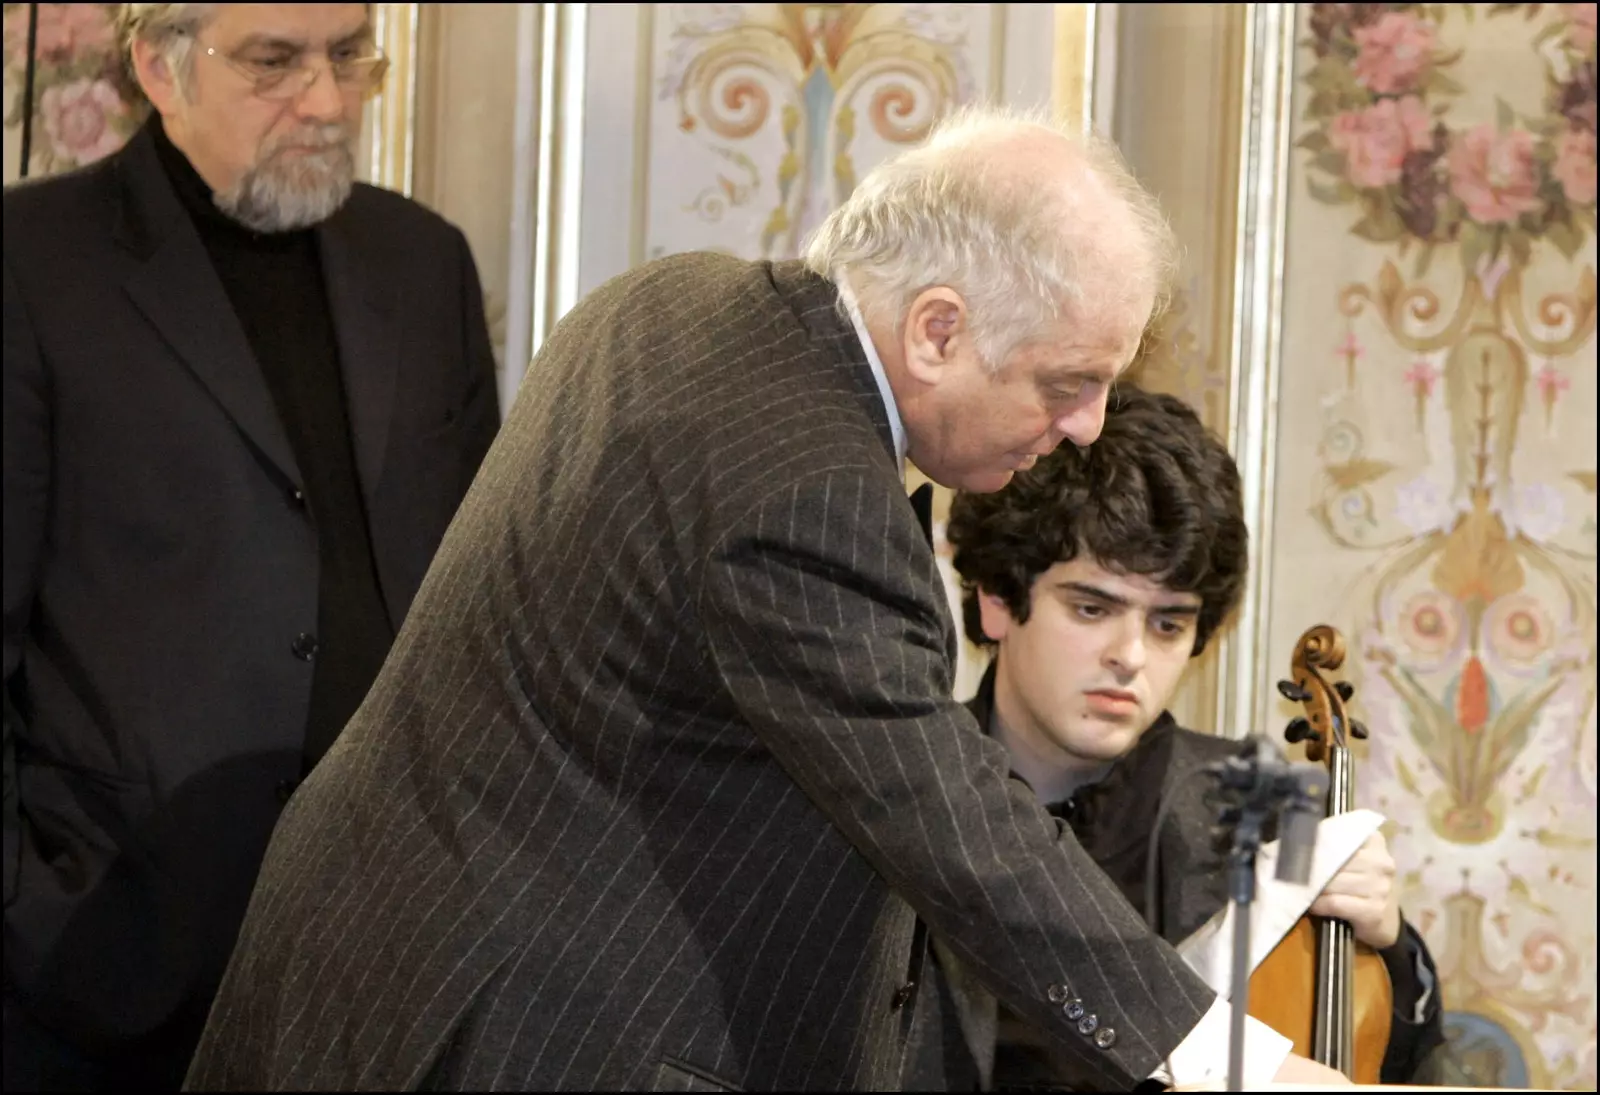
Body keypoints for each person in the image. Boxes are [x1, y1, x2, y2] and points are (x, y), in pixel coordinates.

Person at [184, 105, 1345, 1092]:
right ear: (937, 330)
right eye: (1068, 382)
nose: (1087, 423)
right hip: (522, 1035)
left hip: (380, 974)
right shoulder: (806, 493)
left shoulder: (679, 305)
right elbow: (951, 825)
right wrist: (1217, 1058)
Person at [2, 3, 500, 1089]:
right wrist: (31, 907)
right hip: (106, 961)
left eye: (347, 56)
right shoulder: (30, 264)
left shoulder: (424, 264)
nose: (325, 100)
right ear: (157, 66)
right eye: (275, 62)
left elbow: (481, 610)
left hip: (386, 953)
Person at [924, 384, 1445, 1090]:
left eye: (1168, 622)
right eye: (1091, 606)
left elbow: (1377, 1057)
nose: (1131, 654)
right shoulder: (904, 791)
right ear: (996, 599)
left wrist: (1387, 941)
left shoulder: (1267, 814)